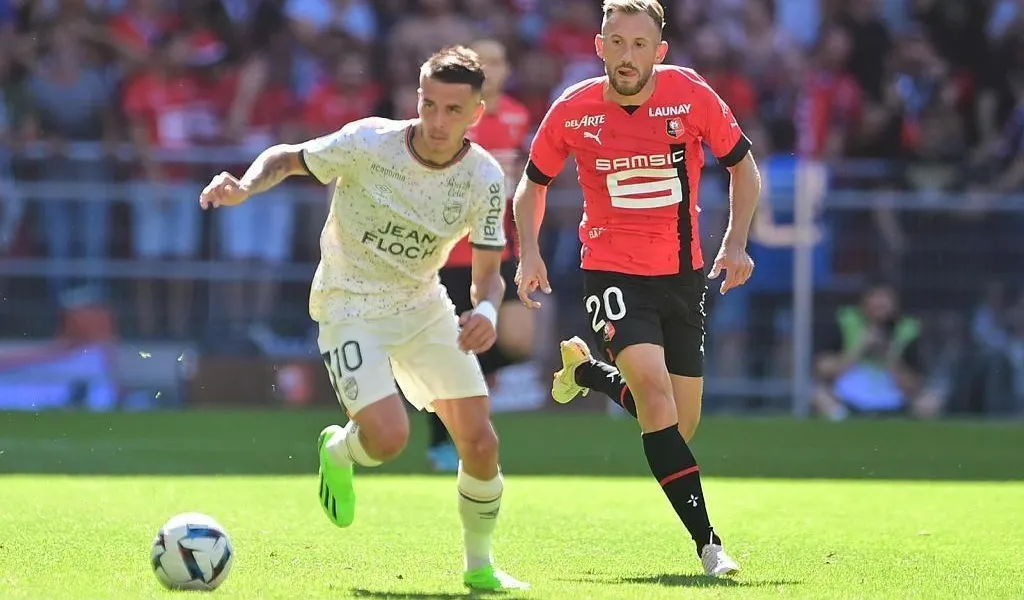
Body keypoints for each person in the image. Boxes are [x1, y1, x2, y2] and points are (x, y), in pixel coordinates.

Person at [198, 46, 528, 592]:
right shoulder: (370, 142)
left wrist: (488, 309)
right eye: (429, 105)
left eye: (452, 109)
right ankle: (338, 449)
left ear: (476, 114)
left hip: (422, 305)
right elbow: (288, 155)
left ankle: (480, 566)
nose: (437, 120)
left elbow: (489, 273)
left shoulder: (485, 178)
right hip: (348, 304)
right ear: (416, 100)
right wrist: (246, 186)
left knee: (481, 442)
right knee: (388, 439)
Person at [513, 0, 761, 577]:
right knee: (653, 396)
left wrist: (736, 241)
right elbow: (531, 187)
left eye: (640, 45)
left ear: (660, 52)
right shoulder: (573, 110)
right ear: (599, 47)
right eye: (616, 43)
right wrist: (528, 252)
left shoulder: (691, 94)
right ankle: (710, 545)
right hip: (611, 271)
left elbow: (743, 167)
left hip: (682, 274)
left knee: (679, 424)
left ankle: (588, 375)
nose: (627, 56)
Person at [427, 38, 536, 473]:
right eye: (483, 61)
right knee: (455, 348)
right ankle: (440, 442)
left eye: (498, 60)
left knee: (519, 340)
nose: (491, 68)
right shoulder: (449, 118)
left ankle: (447, 385)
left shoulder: (516, 115)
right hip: (450, 252)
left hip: (499, 246)